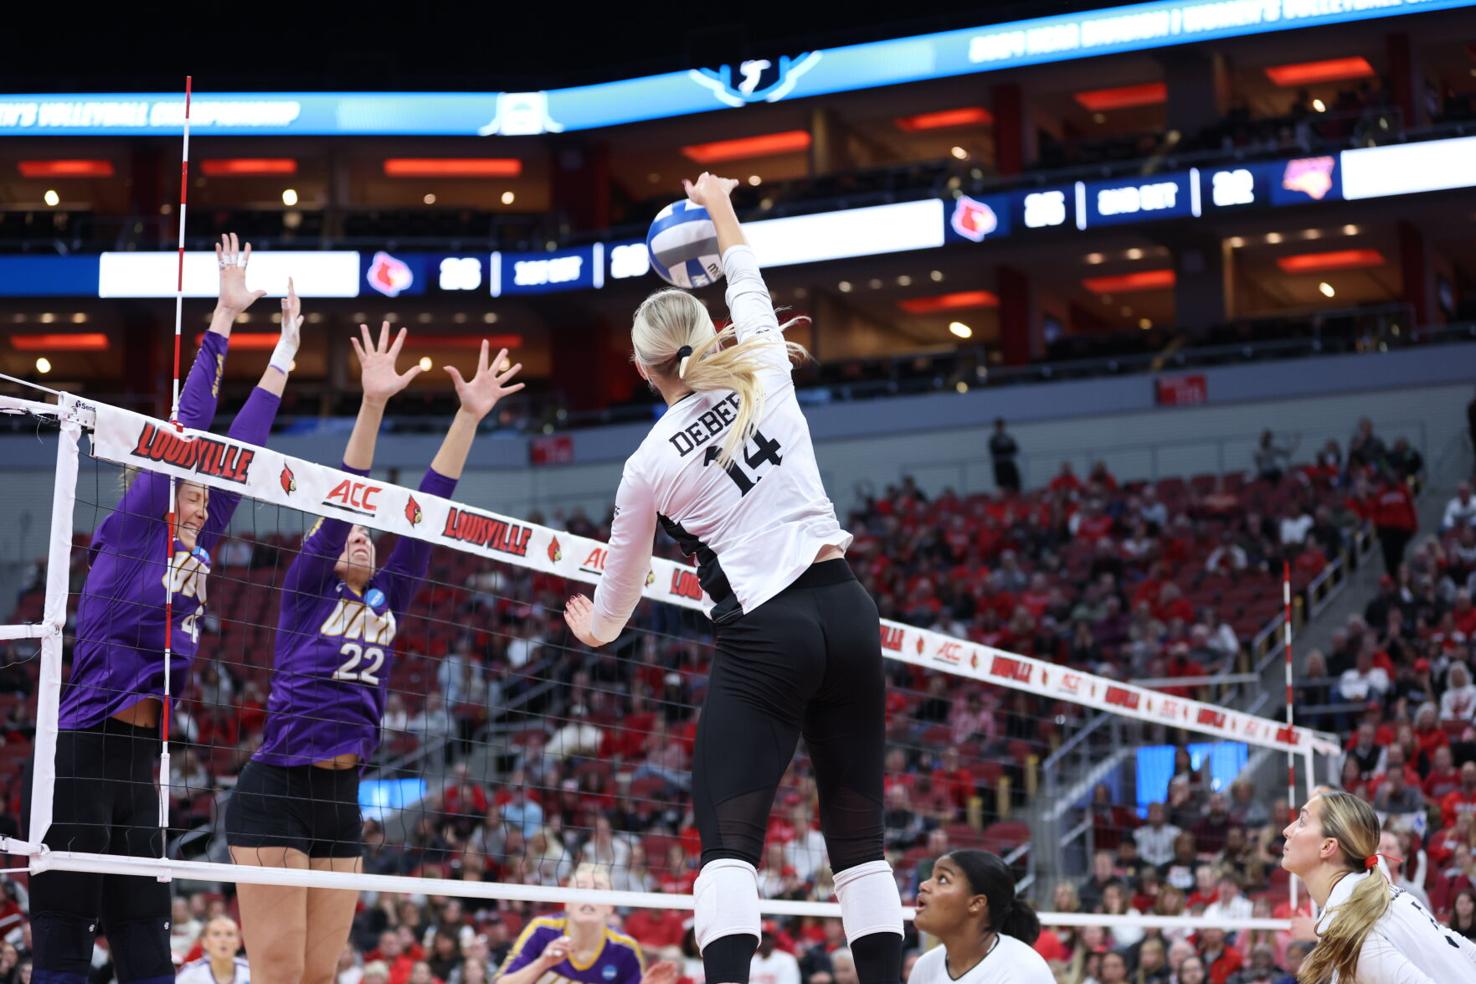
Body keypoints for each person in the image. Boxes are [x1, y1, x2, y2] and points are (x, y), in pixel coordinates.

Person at [562, 172, 904, 984]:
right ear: (705, 331)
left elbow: (618, 599)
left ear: (647, 370)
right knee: (859, 844)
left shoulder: (646, 465)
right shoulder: (763, 366)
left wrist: (594, 629)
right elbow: (747, 276)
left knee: (728, 846)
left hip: (766, 635)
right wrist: (717, 205)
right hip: (851, 613)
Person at [29, 234, 299, 984]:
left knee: (146, 945)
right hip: (83, 750)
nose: (202, 491)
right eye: (190, 482)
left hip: (144, 761)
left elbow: (238, 458)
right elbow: (193, 429)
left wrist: (282, 358)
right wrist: (222, 317)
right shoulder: (136, 525)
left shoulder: (197, 534)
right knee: (62, 946)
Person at [225, 326, 523, 984]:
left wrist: (468, 416)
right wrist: (372, 404)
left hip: (341, 798)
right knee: (277, 975)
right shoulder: (305, 591)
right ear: (322, 546)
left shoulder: (388, 599)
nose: (361, 536)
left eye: (368, 532)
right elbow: (343, 495)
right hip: (275, 792)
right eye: (350, 531)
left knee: (319, 976)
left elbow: (427, 509)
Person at [1279, 789, 1476, 982]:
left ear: (1327, 846)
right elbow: (1461, 947)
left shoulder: (1352, 928)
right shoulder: (1377, 897)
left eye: (1302, 821)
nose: (1286, 830)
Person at [497, 864, 677, 984]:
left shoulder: (626, 950)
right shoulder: (541, 931)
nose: (588, 896)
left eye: (597, 889)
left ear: (610, 906)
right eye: (580, 889)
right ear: (566, 902)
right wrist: (543, 963)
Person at [907, 850, 1053, 984]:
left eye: (943, 879)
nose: (923, 885)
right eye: (932, 876)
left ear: (976, 903)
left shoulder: (1023, 969)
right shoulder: (924, 967)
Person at [176, 916, 251, 984]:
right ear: (205, 942)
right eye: (216, 934)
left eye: (229, 934)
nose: (223, 939)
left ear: (238, 942)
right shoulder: (189, 975)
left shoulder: (250, 972)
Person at [988, 420, 1020, 494]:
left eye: (1001, 426)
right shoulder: (993, 439)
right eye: (998, 426)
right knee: (1001, 486)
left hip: (1009, 464)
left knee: (1014, 483)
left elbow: (1014, 449)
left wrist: (1004, 449)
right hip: (999, 465)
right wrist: (1005, 449)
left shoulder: (1008, 438)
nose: (1000, 428)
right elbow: (994, 451)